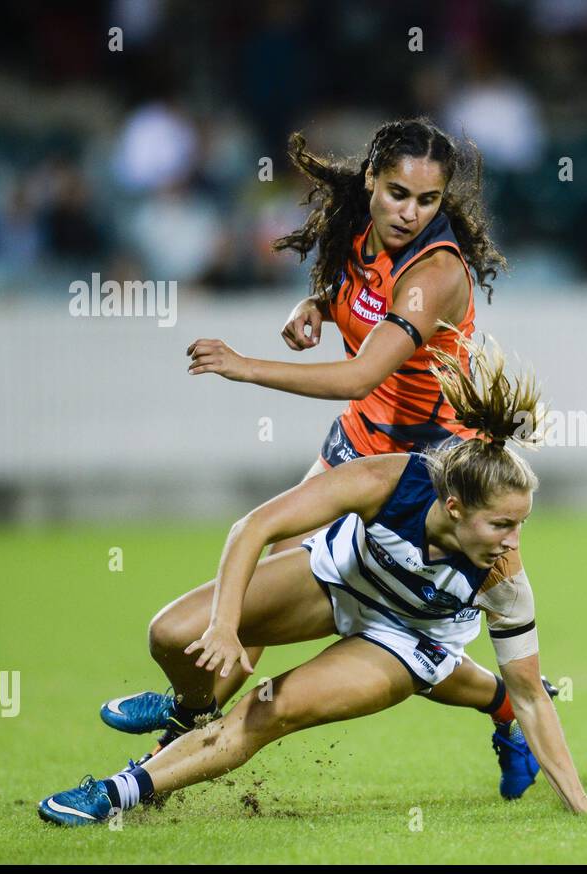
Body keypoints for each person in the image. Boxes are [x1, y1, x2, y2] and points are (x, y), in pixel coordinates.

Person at [38, 334, 587, 824]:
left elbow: (532, 694)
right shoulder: (390, 480)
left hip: (408, 638)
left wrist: (583, 801)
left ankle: (115, 794)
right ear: (456, 506)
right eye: (502, 524)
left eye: (522, 524)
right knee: (172, 634)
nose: (515, 542)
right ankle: (186, 711)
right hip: (339, 579)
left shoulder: (503, 579)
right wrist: (224, 628)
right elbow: (252, 528)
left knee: (264, 711)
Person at [107, 118, 549, 798]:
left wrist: (245, 366)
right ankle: (194, 714)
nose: (410, 212)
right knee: (285, 600)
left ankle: (189, 718)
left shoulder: (434, 273)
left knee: (396, 632)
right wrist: (313, 304)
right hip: (352, 449)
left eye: (427, 201)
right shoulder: (357, 232)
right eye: (398, 193)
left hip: (422, 476)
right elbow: (358, 302)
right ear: (369, 179)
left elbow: (357, 376)